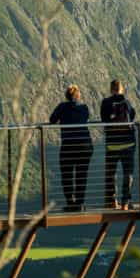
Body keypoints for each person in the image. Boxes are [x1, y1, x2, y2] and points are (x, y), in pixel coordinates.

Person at [49, 84, 93, 212]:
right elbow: (85, 118)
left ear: (67, 96)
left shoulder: (62, 107)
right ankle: (79, 203)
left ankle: (70, 202)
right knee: (81, 174)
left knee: (67, 174)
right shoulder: (84, 108)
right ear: (78, 95)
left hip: (68, 145)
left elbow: (52, 120)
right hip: (85, 145)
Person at [100, 79, 136, 210]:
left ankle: (112, 201)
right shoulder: (127, 102)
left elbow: (104, 119)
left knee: (111, 172)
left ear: (111, 90)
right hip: (128, 143)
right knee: (128, 173)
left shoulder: (105, 103)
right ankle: (125, 202)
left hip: (112, 144)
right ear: (122, 89)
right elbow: (132, 117)